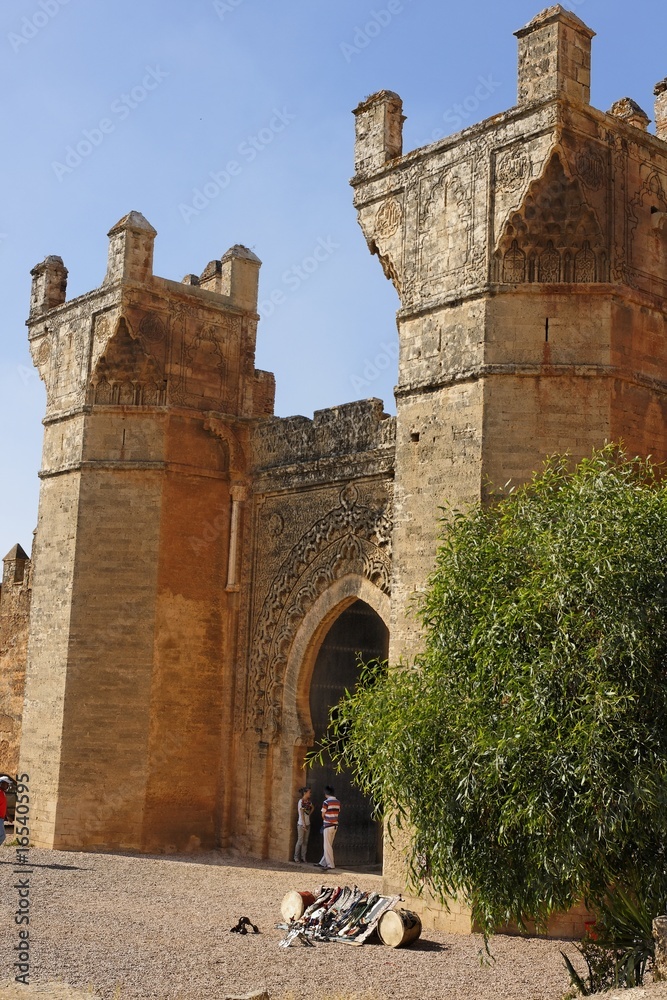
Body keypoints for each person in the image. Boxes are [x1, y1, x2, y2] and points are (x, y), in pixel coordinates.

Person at [315, 785, 340, 871]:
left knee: (327, 845)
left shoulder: (326, 802)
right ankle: (322, 862)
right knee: (329, 844)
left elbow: (323, 814)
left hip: (328, 825)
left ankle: (330, 864)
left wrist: (326, 820)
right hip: (335, 825)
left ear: (326, 794)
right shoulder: (337, 802)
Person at [293, 786, 313, 862]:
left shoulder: (309, 802)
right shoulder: (301, 802)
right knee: (300, 840)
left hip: (307, 823)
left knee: (305, 841)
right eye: (309, 792)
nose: (310, 794)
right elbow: (301, 813)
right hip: (301, 824)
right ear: (305, 793)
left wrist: (309, 814)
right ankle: (296, 857)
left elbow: (312, 807)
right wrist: (304, 823)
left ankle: (303, 857)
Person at [0, 776, 10, 848]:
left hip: (1, 818)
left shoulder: (3, 793)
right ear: (1, 784)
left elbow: (4, 806)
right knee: (2, 836)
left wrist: (8, 815)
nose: (8, 786)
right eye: (7, 784)